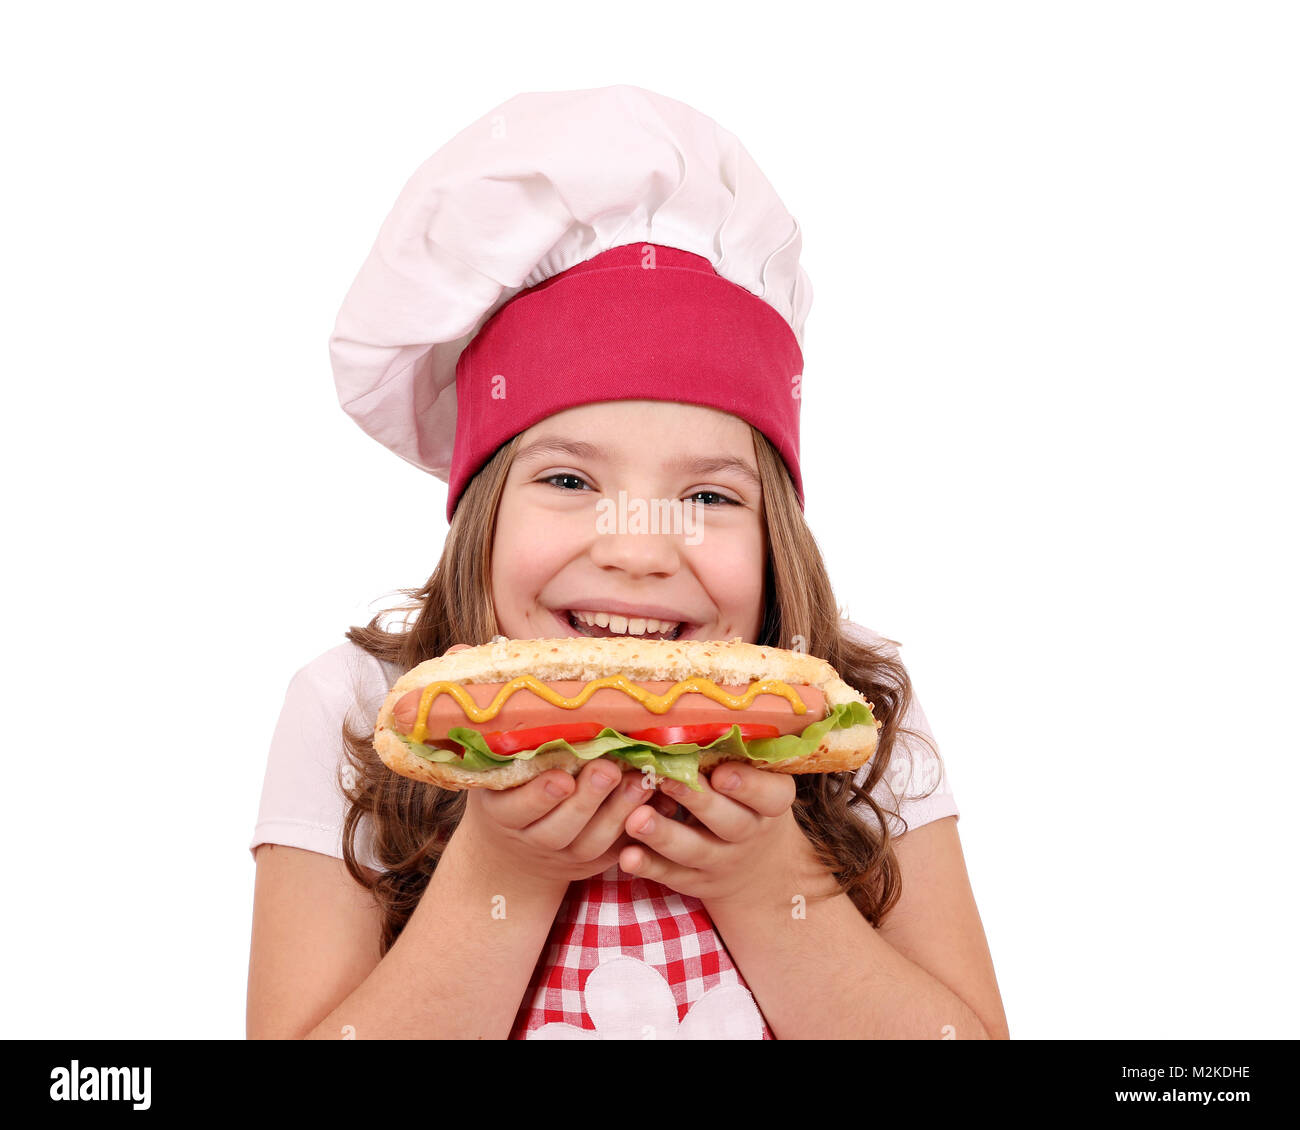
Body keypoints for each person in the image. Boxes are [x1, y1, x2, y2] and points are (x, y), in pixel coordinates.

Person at [246, 85, 1009, 1040]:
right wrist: (502, 877)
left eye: (708, 498)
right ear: (481, 509)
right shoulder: (356, 709)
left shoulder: (858, 711)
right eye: (568, 481)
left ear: (778, 534)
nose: (639, 548)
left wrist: (772, 890)